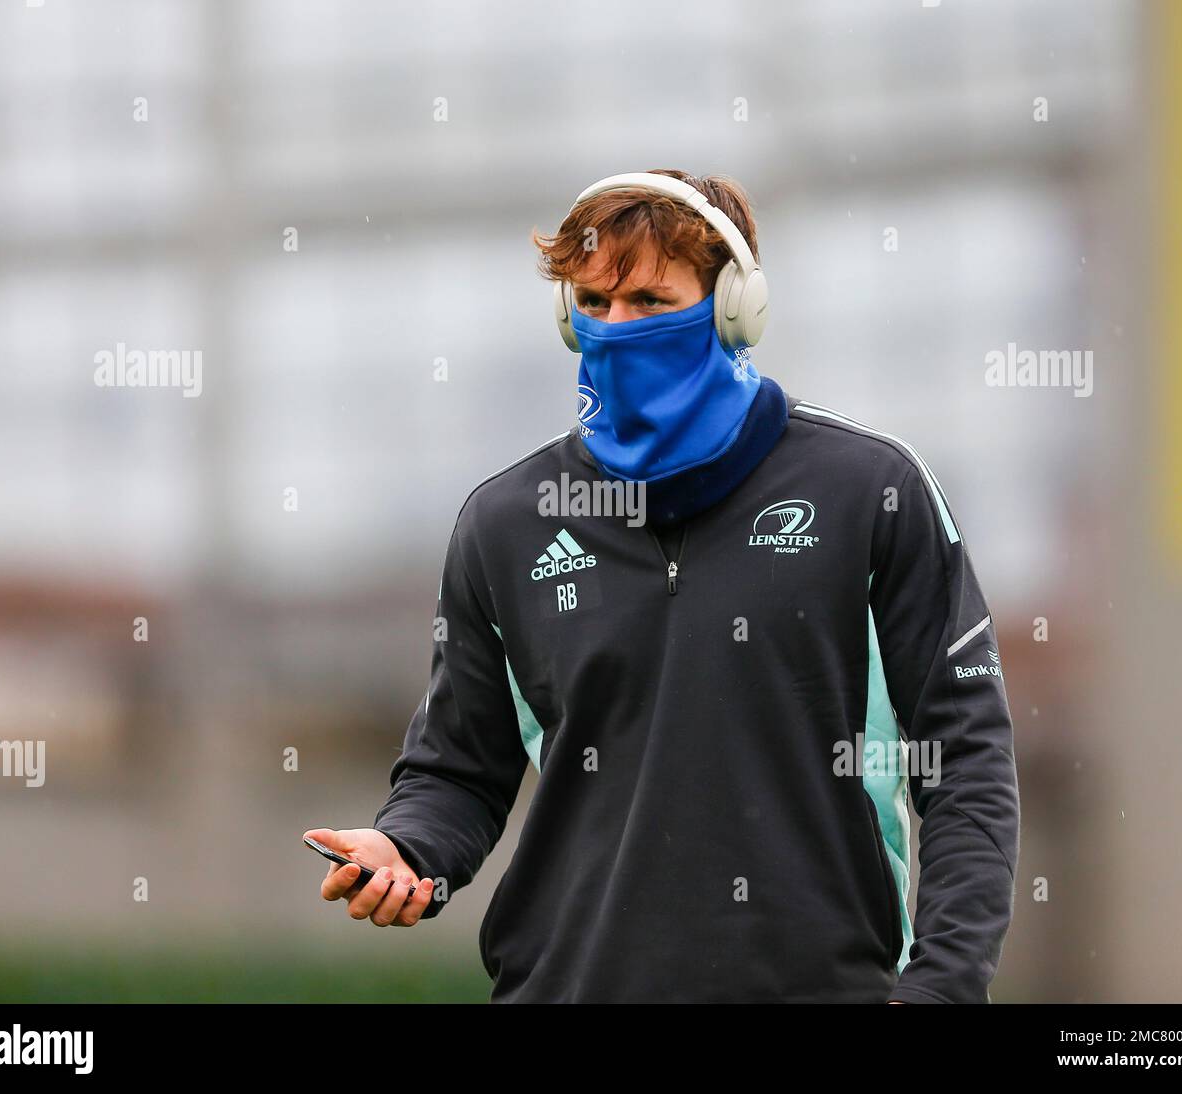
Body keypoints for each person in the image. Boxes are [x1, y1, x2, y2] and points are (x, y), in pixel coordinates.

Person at [305, 169, 1020, 1003]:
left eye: (648, 299)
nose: (617, 328)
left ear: (733, 308)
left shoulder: (873, 493)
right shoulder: (504, 523)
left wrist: (942, 985)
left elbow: (967, 764)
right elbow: (458, 769)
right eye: (593, 303)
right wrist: (410, 849)